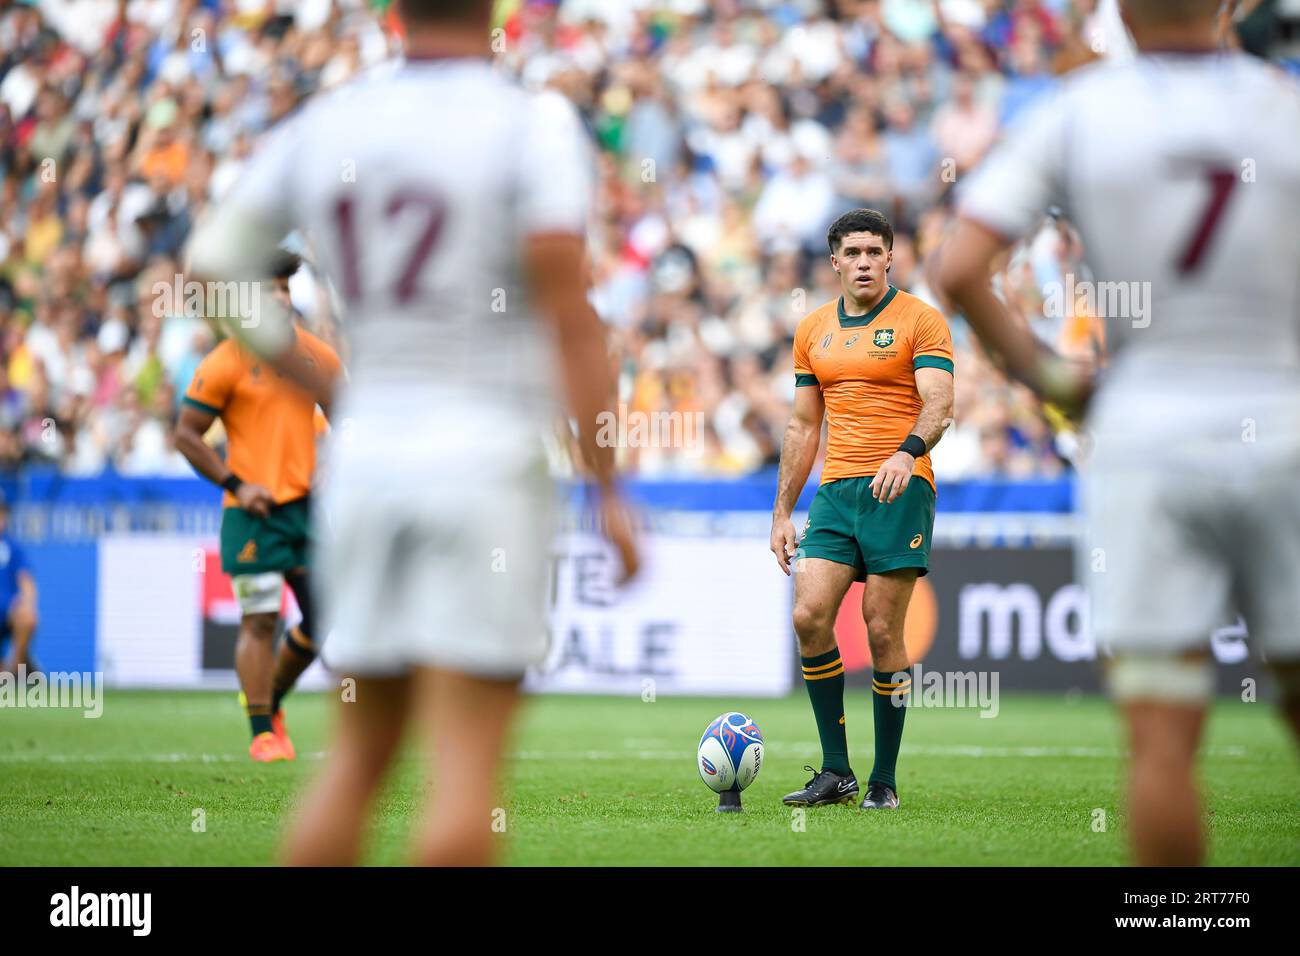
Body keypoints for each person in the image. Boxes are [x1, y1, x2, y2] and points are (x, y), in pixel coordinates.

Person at [184, 0, 639, 865]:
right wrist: (609, 486)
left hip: (363, 462)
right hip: (483, 460)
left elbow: (211, 264)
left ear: (394, 13)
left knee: (354, 762)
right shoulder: (531, 123)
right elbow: (569, 314)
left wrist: (312, 370)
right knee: (465, 771)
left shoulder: (335, 120)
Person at [935, 0, 1300, 865]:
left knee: (1163, 743)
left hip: (1144, 430)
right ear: (1225, 7)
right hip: (1285, 419)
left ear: (1122, 12)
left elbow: (957, 266)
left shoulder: (1077, 110)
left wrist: (1059, 383)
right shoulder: (1283, 104)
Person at [771, 208, 954, 811]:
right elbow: (802, 428)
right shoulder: (813, 330)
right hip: (837, 492)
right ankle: (835, 771)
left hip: (900, 488)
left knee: (880, 627)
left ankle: (884, 779)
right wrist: (781, 514)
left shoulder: (919, 320)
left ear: (891, 258)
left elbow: (939, 404)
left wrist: (906, 454)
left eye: (875, 252)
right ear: (835, 262)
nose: (865, 262)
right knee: (808, 615)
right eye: (853, 253)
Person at [175, 252, 342, 763]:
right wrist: (237, 483)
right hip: (252, 513)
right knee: (260, 621)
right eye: (268, 290)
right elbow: (186, 435)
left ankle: (271, 704)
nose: (279, 298)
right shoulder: (226, 361)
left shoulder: (318, 359)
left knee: (322, 620)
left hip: (305, 511)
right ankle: (262, 734)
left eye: (285, 289)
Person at [0, 495, 38, 678]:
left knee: (27, 618)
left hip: (7, 613)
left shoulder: (13, 547)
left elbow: (26, 581)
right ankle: (26, 669)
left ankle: (14, 670)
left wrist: (27, 603)